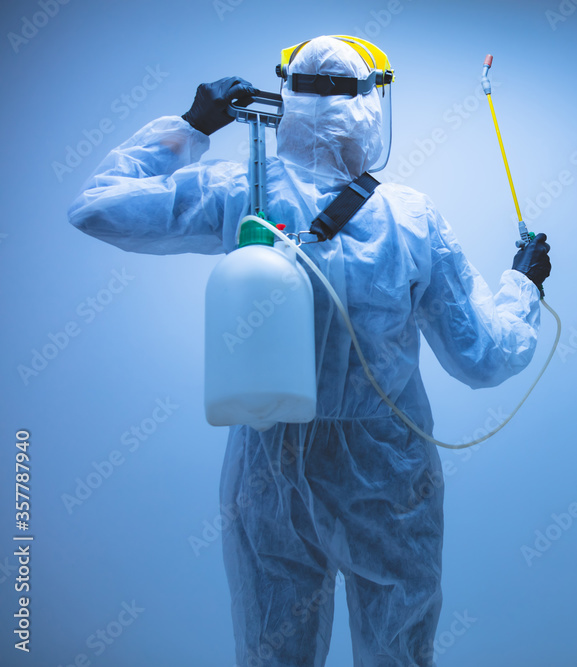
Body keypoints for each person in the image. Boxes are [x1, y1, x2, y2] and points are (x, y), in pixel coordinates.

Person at [68, 35, 551, 667]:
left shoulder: (243, 191)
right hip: (388, 475)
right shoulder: (410, 220)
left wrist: (192, 127)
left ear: (287, 99)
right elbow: (485, 356)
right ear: (374, 104)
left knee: (272, 652)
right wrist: (525, 283)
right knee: (397, 653)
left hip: (268, 465)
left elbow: (98, 208)